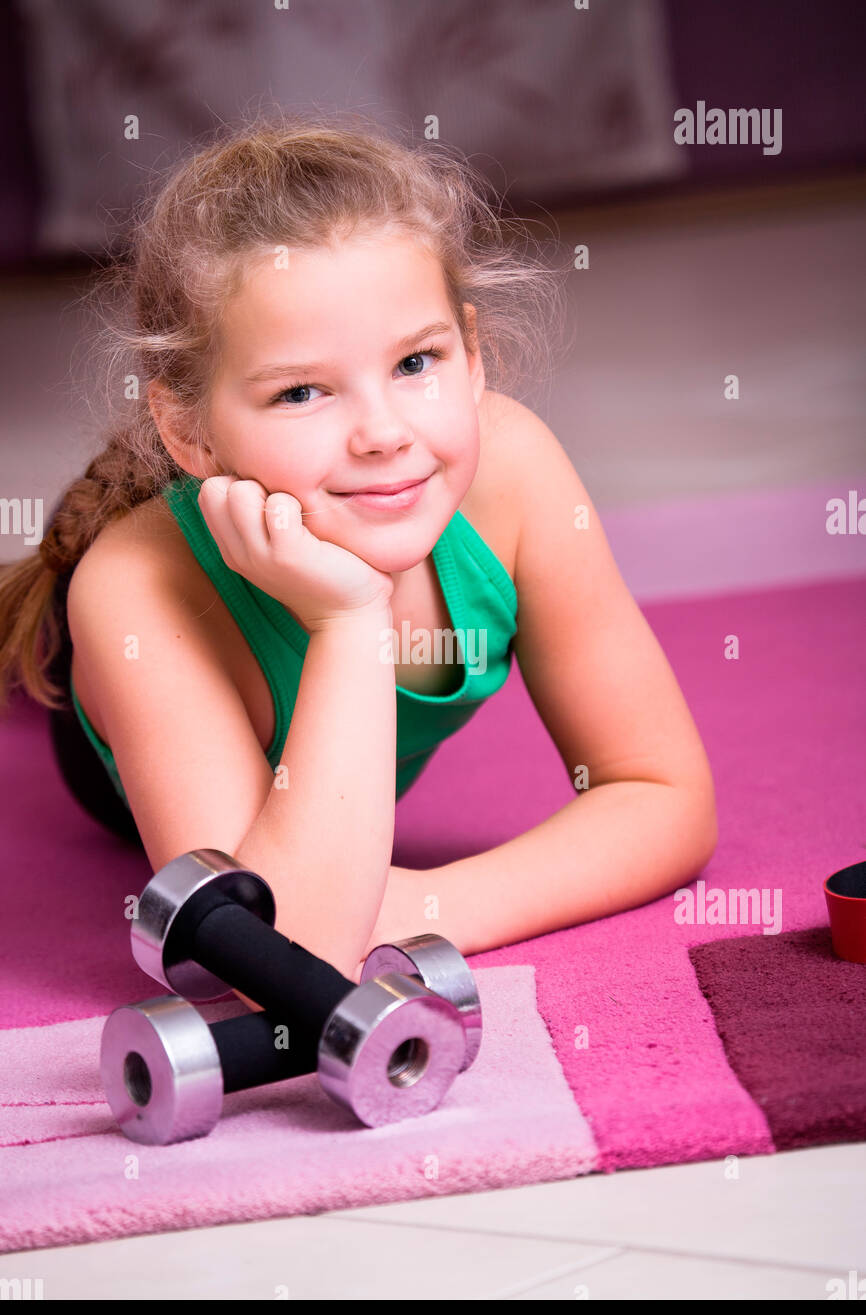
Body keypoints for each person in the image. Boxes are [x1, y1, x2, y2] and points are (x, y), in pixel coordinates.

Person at [0, 113, 717, 985]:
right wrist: (346, 619)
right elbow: (280, 949)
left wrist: (429, 906)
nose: (383, 434)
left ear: (474, 354)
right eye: (302, 391)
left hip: (329, 816)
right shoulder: (135, 591)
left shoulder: (517, 476)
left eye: (417, 363)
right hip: (114, 733)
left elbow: (662, 796)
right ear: (187, 427)